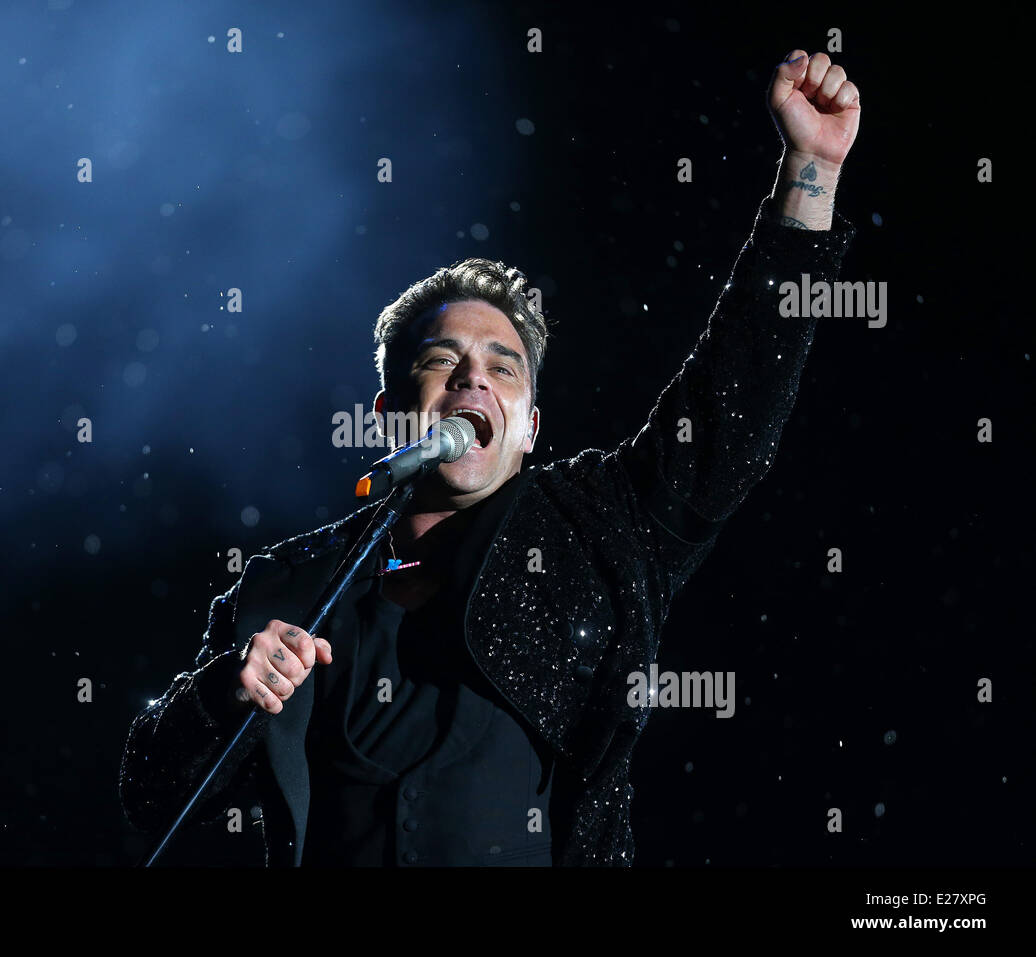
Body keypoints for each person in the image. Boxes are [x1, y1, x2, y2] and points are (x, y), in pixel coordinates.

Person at [119, 49, 862, 866]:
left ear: (530, 424)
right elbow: (151, 799)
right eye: (443, 360)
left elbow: (733, 410)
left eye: (503, 366)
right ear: (391, 412)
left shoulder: (600, 531)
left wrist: (810, 174)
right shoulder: (287, 587)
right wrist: (227, 689)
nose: (475, 373)